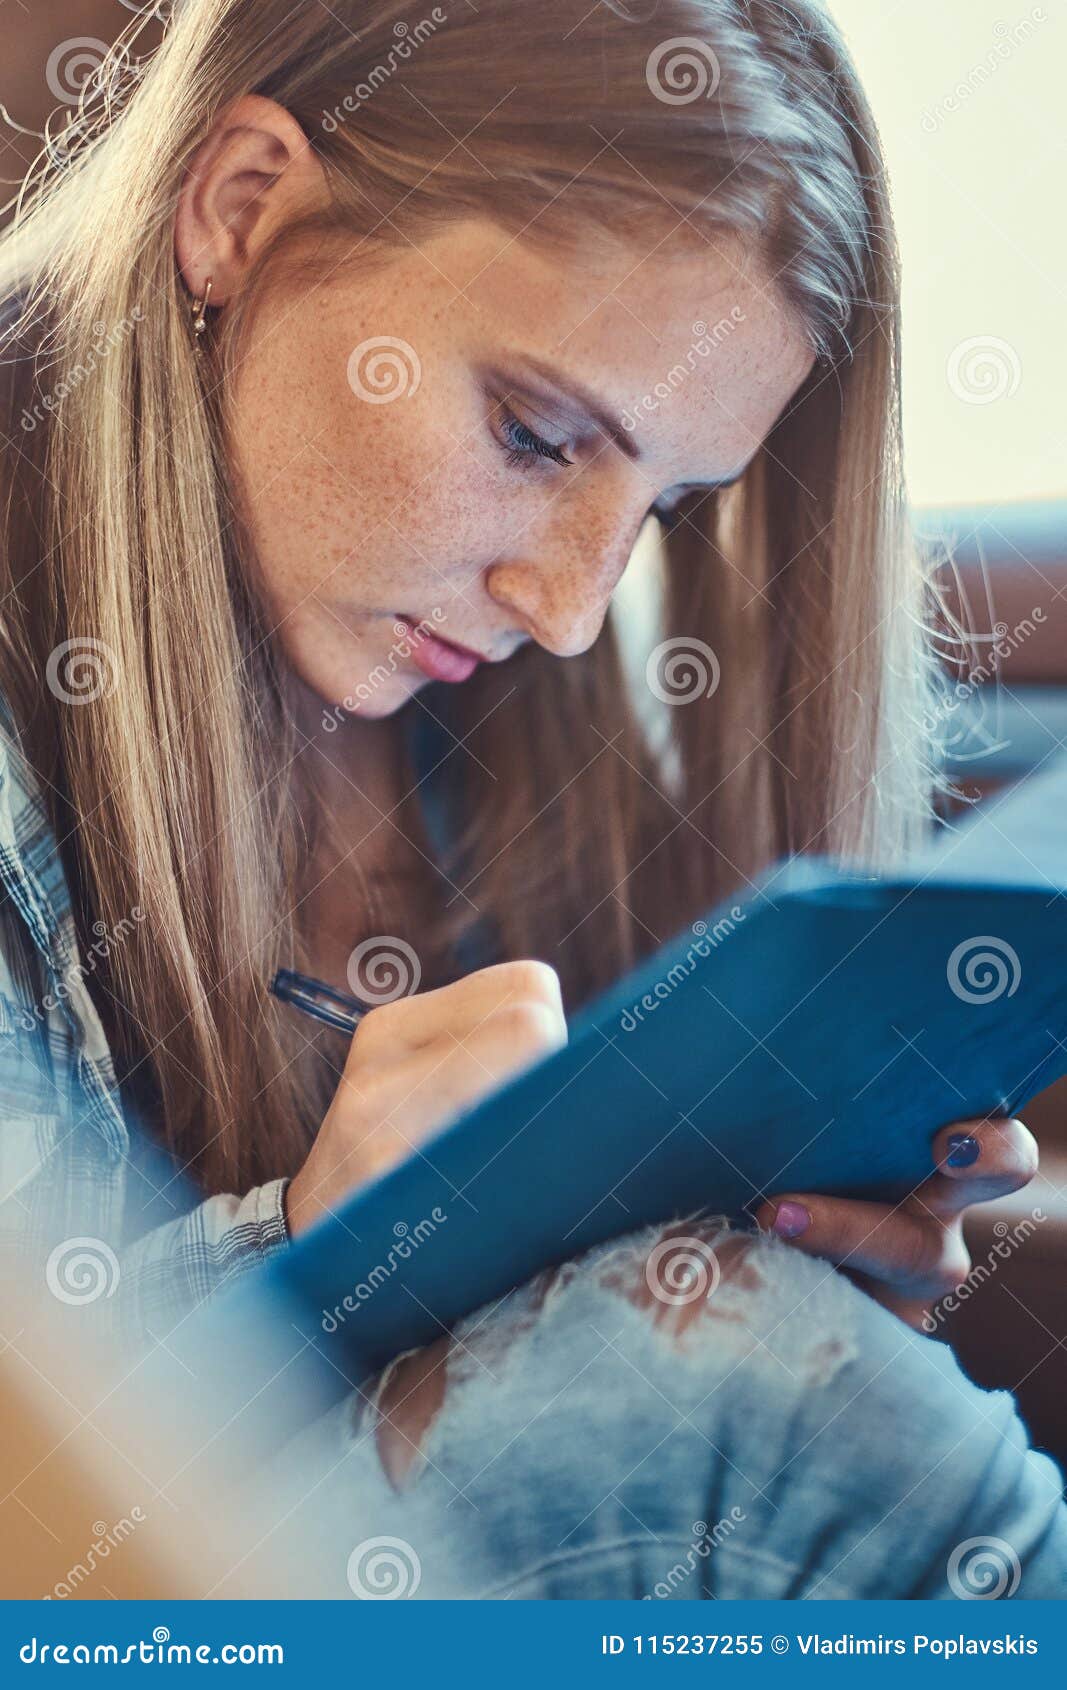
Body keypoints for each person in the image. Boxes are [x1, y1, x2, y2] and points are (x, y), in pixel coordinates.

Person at [0, 0, 1063, 1596]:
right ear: (238, 206)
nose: (568, 608)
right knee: (741, 1404)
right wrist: (315, 1239)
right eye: (534, 434)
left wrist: (793, 1242)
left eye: (667, 508)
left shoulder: (504, 689)